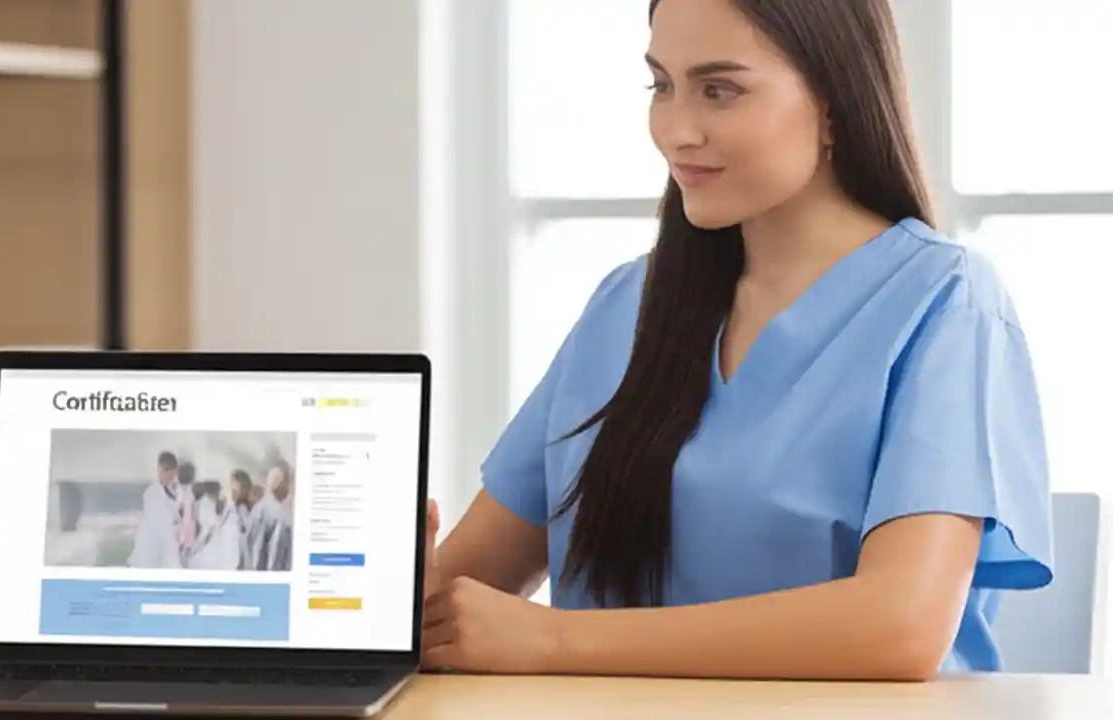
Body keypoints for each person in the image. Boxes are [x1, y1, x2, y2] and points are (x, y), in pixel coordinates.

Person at [421, 0, 1052, 681]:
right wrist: (393, 595)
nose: (676, 130)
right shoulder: (624, 306)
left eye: (720, 90)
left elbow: (897, 629)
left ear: (836, 103)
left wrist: (555, 641)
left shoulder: (945, 302)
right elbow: (463, 598)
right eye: (662, 85)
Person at [127, 451, 182, 569]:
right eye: (163, 472)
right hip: (151, 544)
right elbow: (151, 522)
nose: (164, 477)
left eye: (170, 475)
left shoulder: (179, 492)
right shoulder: (151, 493)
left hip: (166, 544)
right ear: (159, 469)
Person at [258, 460, 294, 572]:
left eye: (277, 479)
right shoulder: (262, 508)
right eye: (271, 479)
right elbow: (258, 544)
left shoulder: (293, 505)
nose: (272, 483)